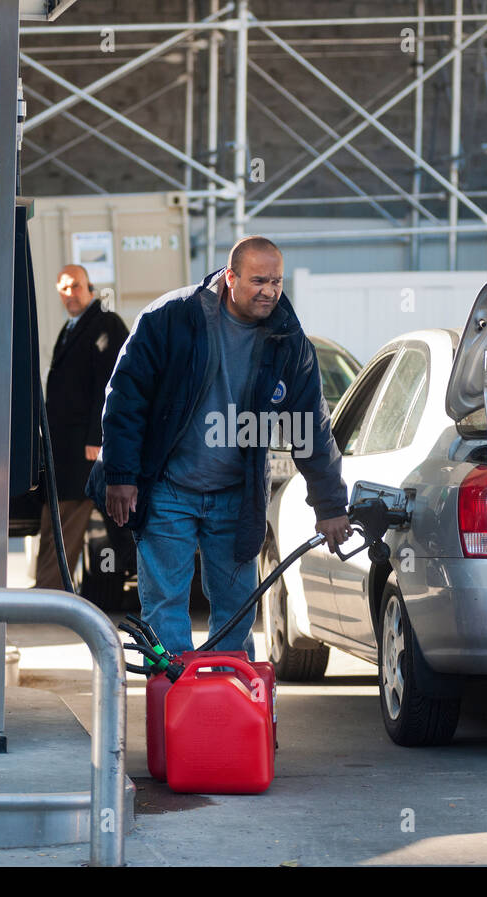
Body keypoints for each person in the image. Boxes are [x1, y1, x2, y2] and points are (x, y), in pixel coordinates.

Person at [88, 236, 352, 658]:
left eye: (277, 281)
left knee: (236, 611)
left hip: (236, 493)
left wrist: (331, 505)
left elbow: (311, 428)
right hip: (168, 489)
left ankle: (227, 705)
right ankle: (174, 707)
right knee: (165, 609)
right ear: (230, 277)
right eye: (258, 280)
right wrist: (121, 475)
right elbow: (126, 397)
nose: (269, 290)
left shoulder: (288, 340)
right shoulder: (172, 318)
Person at [35, 264, 128, 589]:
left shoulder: (105, 325)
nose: (69, 294)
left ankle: (51, 590)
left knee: (71, 517)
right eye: (63, 287)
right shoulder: (71, 327)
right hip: (64, 448)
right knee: (56, 517)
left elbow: (111, 384)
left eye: (75, 286)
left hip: (86, 448)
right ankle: (46, 587)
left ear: (90, 287)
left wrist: (97, 436)